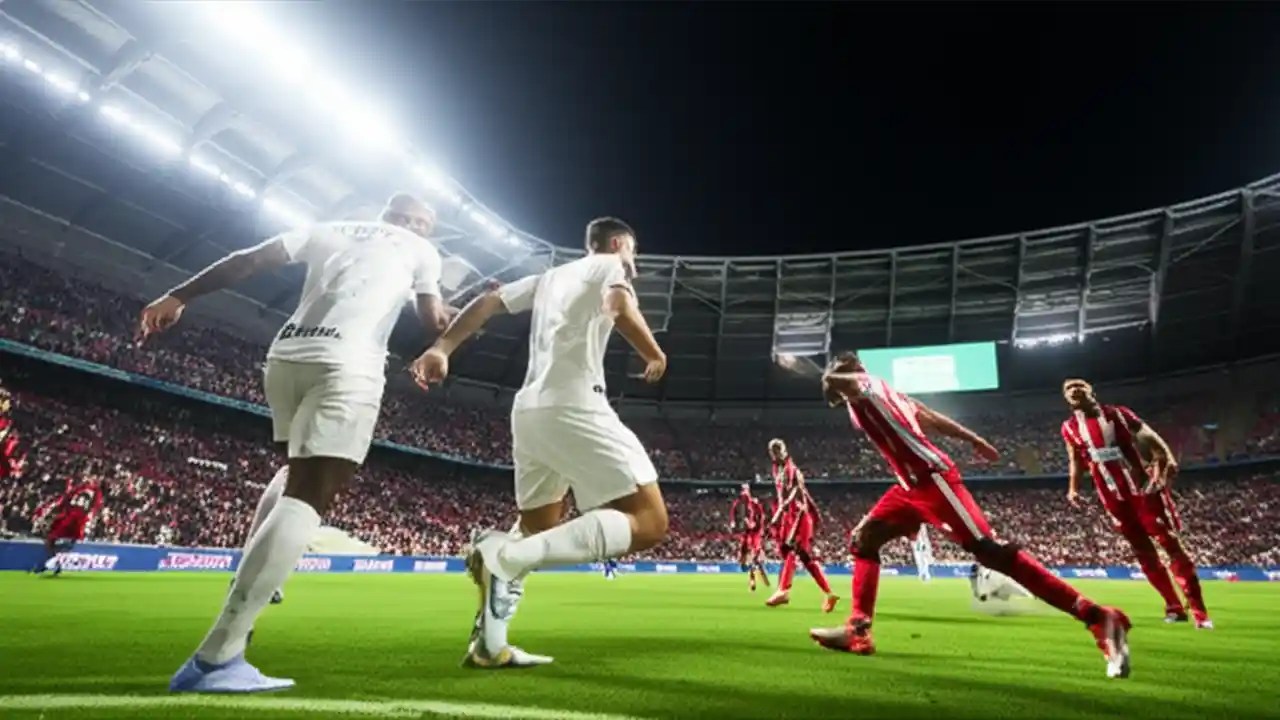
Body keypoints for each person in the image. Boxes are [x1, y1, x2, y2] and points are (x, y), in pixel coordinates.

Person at [140, 192, 448, 693]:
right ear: (414, 224)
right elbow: (433, 321)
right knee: (313, 492)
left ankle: (262, 573)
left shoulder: (333, 227)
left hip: (286, 356)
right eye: (423, 224)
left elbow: (249, 261)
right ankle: (218, 656)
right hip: (348, 363)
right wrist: (454, 319)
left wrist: (178, 295)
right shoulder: (423, 251)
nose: (420, 231)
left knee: (293, 470)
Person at [413, 216, 669, 669]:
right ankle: (501, 557)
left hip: (529, 411)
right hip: (575, 405)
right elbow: (618, 308)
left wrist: (442, 348)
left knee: (537, 529)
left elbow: (490, 301)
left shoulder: (550, 277)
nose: (635, 260)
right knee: (649, 521)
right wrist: (653, 351)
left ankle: (490, 645)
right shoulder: (612, 264)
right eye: (633, 249)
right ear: (616, 243)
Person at [810, 352, 1132, 680]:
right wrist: (974, 439)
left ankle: (1098, 617)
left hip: (933, 479)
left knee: (990, 552)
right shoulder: (889, 395)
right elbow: (931, 417)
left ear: (854, 369)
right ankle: (857, 629)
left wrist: (827, 376)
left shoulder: (868, 383)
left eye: (840, 372)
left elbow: (839, 383)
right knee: (864, 540)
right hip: (908, 487)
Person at [1061, 378, 1211, 628]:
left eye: (1079, 385)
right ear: (1066, 398)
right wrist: (1073, 489)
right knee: (1143, 552)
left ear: (1091, 391)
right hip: (1112, 497)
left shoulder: (1118, 414)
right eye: (1068, 388)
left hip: (1141, 490)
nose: (1074, 389)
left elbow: (1147, 434)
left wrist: (1168, 457)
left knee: (1170, 544)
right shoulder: (1068, 428)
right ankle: (1174, 607)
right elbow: (1075, 460)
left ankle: (1199, 611)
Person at [764, 440, 838, 612]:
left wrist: (777, 517)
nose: (776, 454)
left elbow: (796, 496)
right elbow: (785, 499)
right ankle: (830, 594)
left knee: (792, 549)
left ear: (785, 450)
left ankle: (783, 590)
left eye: (778, 450)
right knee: (805, 559)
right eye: (773, 451)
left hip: (799, 515)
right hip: (789, 515)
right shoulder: (778, 470)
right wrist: (778, 517)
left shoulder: (792, 471)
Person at [30, 476, 104, 575]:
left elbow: (67, 498)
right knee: (55, 541)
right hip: (75, 519)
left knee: (53, 541)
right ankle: (54, 564)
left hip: (72, 518)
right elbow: (94, 506)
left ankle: (48, 565)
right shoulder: (92, 491)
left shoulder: (85, 489)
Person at [728, 483, 770, 591]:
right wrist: (733, 521)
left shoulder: (754, 503)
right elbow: (733, 511)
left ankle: (756, 572)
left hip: (755, 532)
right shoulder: (739, 502)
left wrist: (757, 525)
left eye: (746, 490)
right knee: (744, 550)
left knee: (754, 552)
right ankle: (749, 565)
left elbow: (761, 516)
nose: (744, 493)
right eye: (743, 490)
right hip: (747, 532)